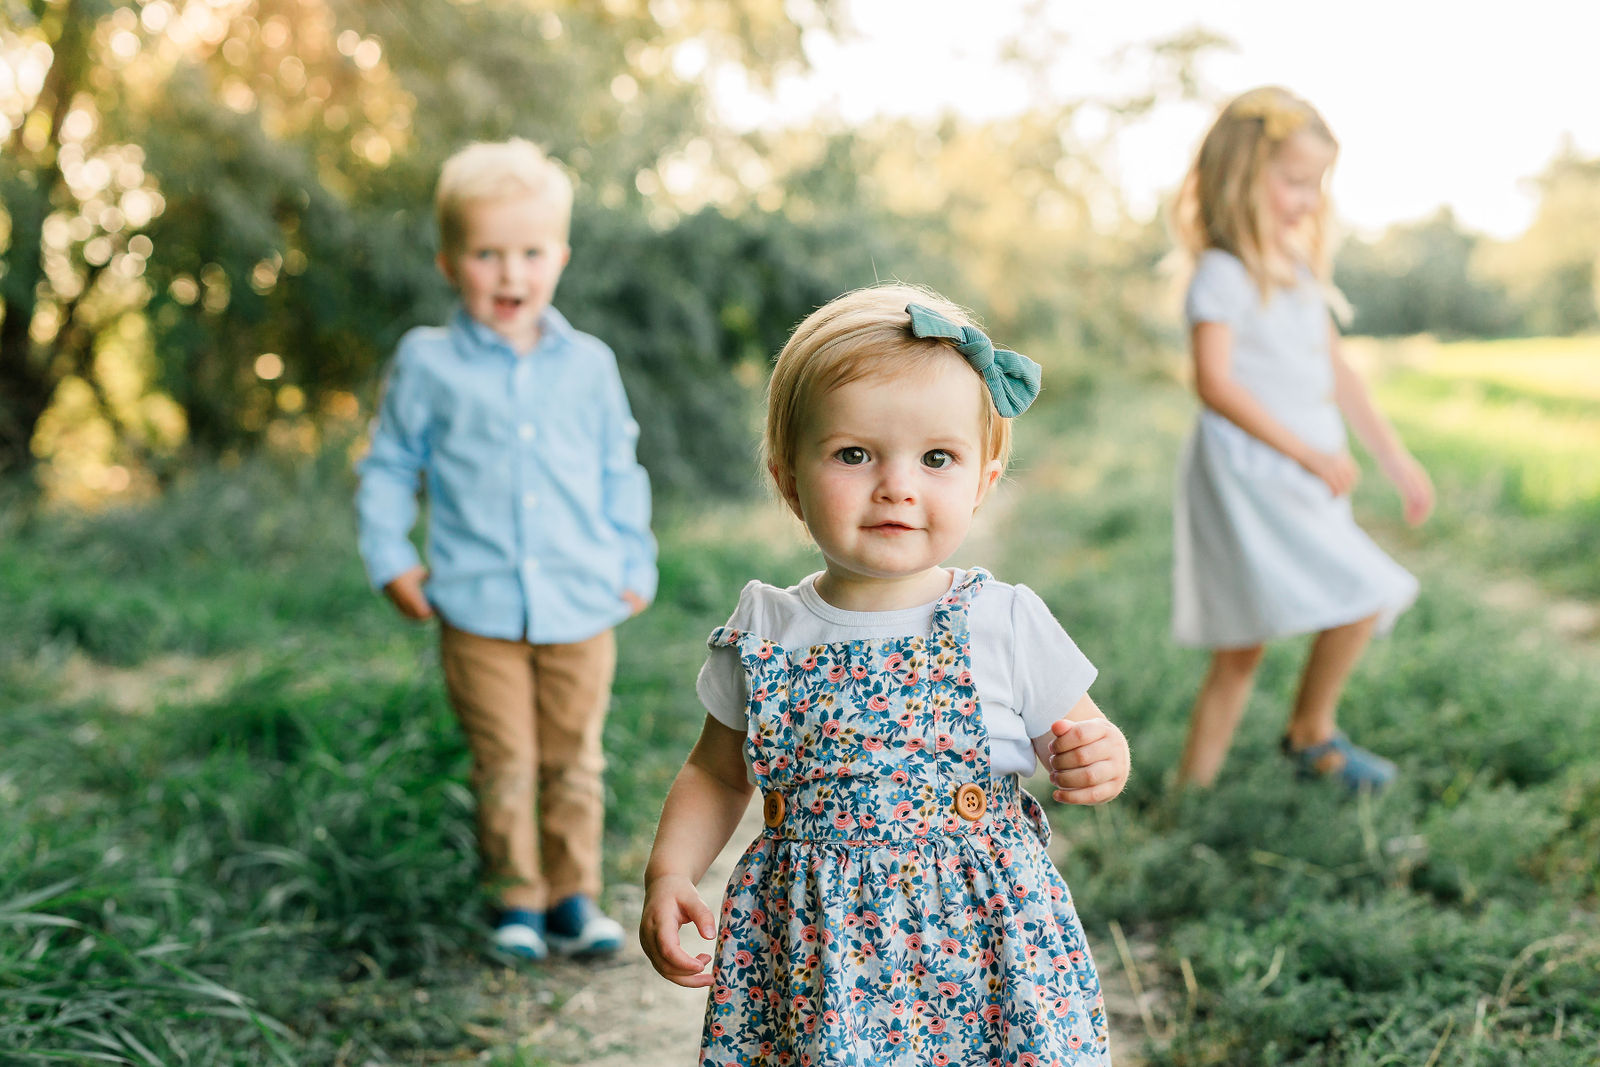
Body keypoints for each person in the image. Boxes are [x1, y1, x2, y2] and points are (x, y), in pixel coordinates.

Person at [639, 284, 1127, 1064]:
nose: (897, 483)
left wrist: (1099, 754)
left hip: (982, 947)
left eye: (936, 458)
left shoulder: (1001, 619)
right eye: (854, 454)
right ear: (789, 477)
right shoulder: (766, 629)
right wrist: (670, 870)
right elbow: (715, 770)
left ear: (983, 479)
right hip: (818, 958)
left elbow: (1085, 728)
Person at [355, 139, 656, 960]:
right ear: (451, 261)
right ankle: (514, 901)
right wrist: (392, 556)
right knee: (507, 761)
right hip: (475, 602)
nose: (510, 273)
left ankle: (574, 897)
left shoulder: (590, 365)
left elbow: (617, 469)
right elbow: (389, 467)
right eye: (488, 253)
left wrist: (635, 563)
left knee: (573, 758)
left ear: (558, 258)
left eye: (528, 253)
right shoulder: (429, 362)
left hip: (582, 597)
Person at [1168, 87, 1434, 792]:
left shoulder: (1298, 265)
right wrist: (1308, 452)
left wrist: (1396, 458)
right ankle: (1206, 792)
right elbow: (1214, 383)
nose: (1309, 199)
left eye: (1317, 183)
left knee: (1350, 596)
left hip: (1300, 471)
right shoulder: (1221, 273)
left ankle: (1303, 736)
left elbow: (1338, 371)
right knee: (1251, 642)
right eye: (1292, 180)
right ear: (1238, 176)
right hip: (1254, 472)